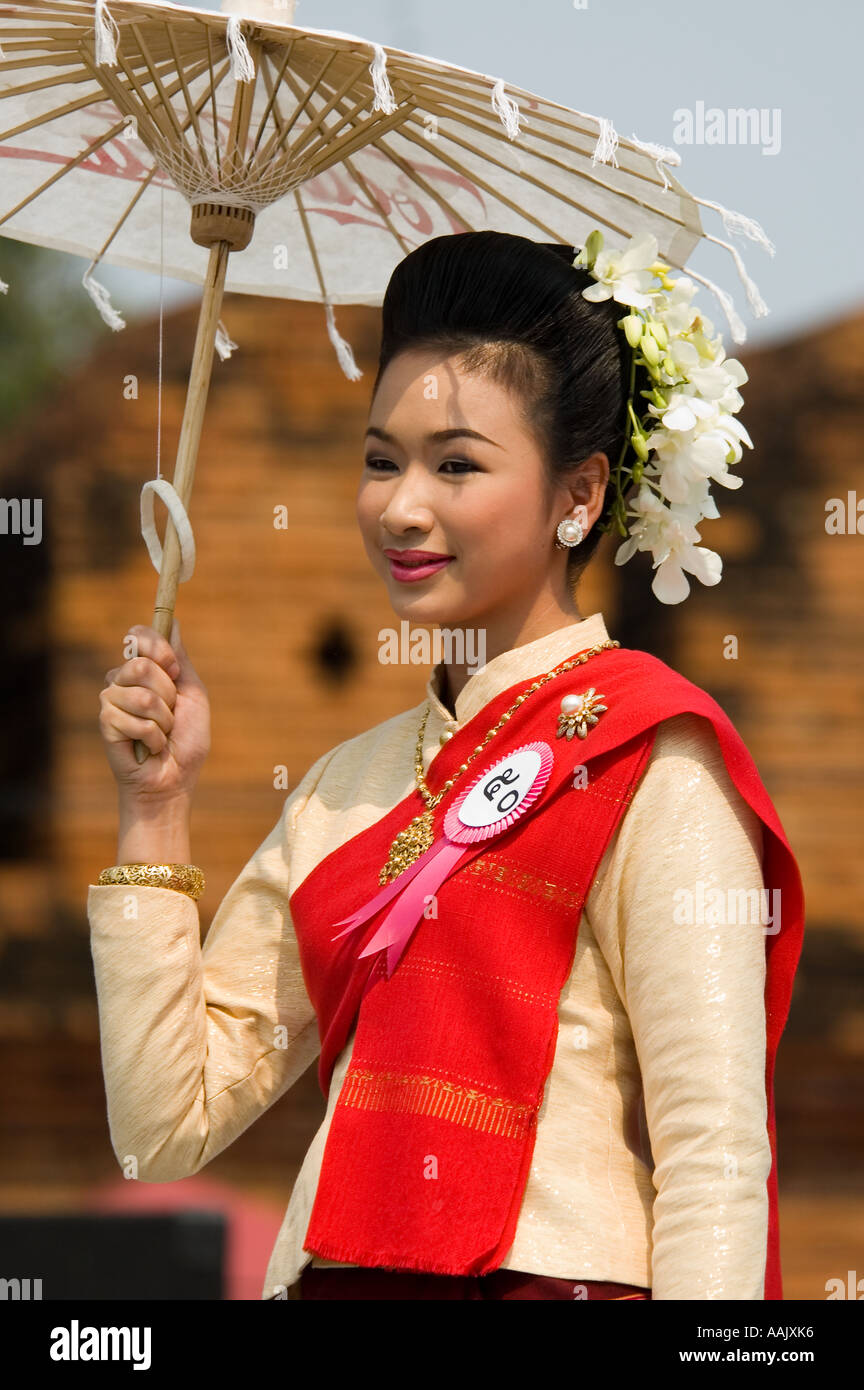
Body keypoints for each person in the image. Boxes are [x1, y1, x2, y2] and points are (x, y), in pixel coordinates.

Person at [88, 230, 804, 1301]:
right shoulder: (348, 782)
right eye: (382, 459)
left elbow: (714, 1146)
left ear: (578, 493)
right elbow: (165, 1127)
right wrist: (155, 807)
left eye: (456, 463)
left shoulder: (654, 755)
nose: (401, 507)